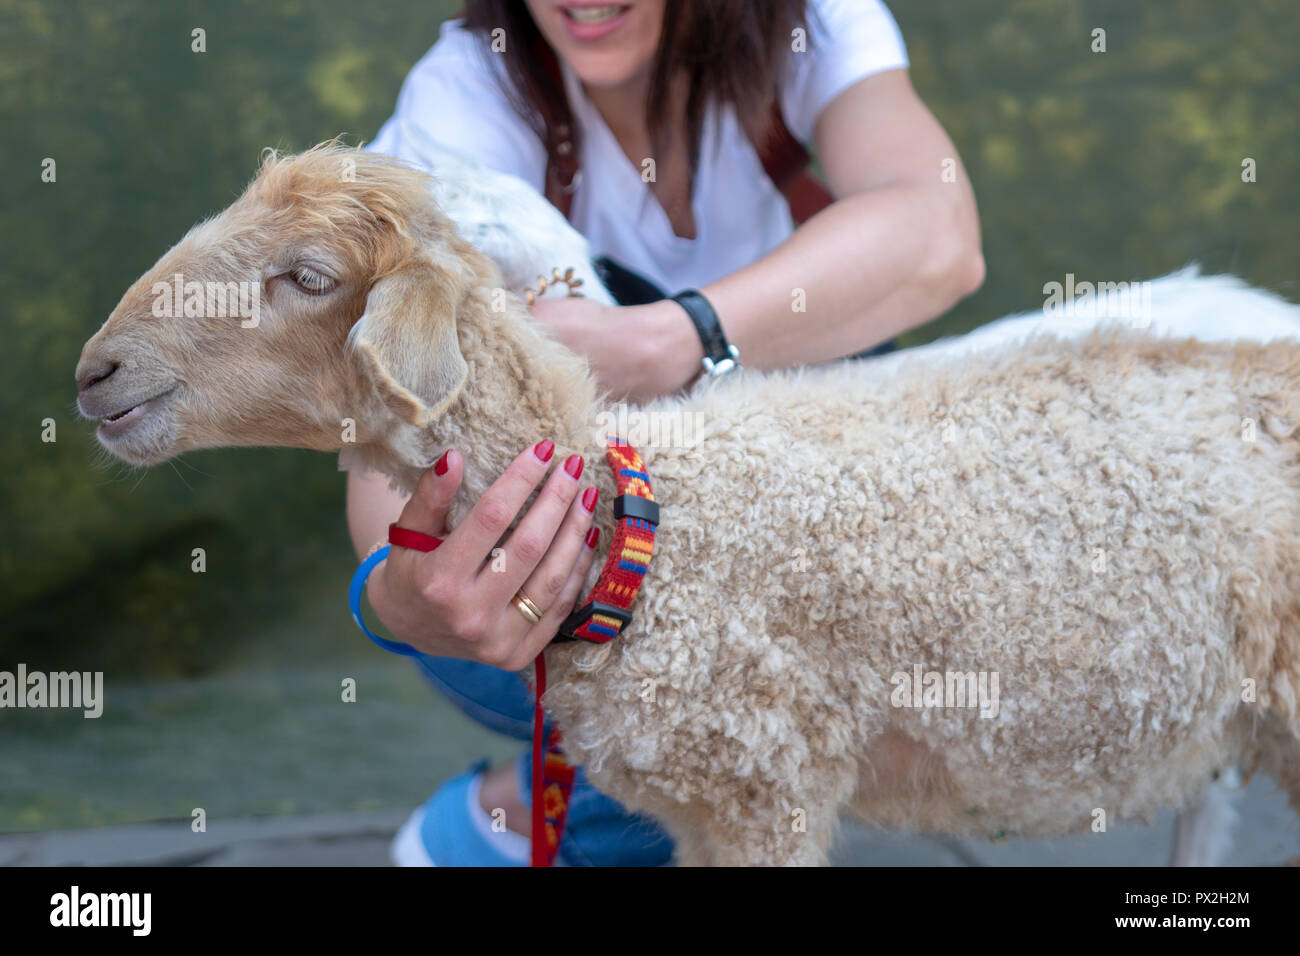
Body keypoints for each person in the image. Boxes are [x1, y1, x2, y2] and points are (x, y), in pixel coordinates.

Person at [350, 0, 984, 865]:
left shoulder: (813, 23)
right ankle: (525, 819)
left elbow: (942, 237)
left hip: (795, 529)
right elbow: (388, 445)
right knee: (702, 712)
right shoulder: (467, 91)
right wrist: (398, 598)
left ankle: (548, 810)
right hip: (579, 578)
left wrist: (672, 342)